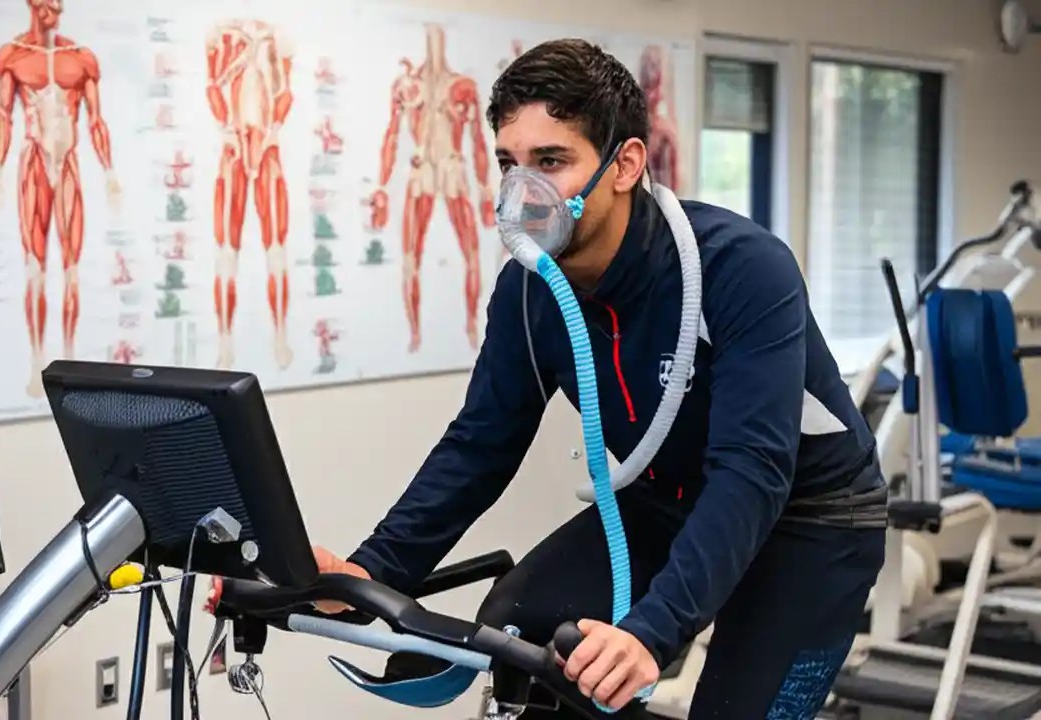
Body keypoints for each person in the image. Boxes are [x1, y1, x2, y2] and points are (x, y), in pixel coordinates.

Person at [312, 39, 888, 719]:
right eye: (509, 163)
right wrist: (368, 571)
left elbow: (753, 468)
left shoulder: (739, 268)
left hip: (811, 517)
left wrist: (651, 632)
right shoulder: (530, 293)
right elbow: (479, 444)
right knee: (518, 632)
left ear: (625, 164)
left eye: (550, 161)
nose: (520, 191)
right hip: (667, 499)